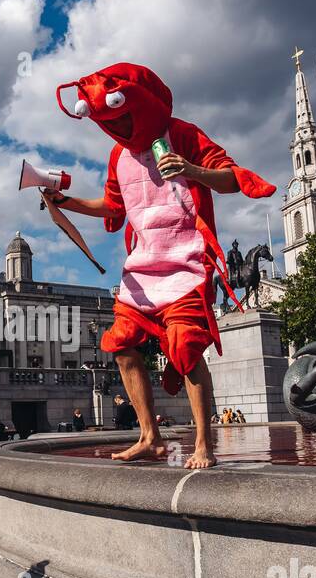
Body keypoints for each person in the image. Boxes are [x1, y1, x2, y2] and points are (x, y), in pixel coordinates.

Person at [45, 62, 275, 468]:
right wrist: (66, 203)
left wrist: (191, 170)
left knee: (186, 349)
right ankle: (149, 436)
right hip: (142, 269)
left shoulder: (183, 134)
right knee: (121, 344)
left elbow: (229, 178)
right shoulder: (119, 155)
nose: (120, 127)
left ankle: (204, 443)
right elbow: (113, 207)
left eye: (123, 115)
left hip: (186, 261)